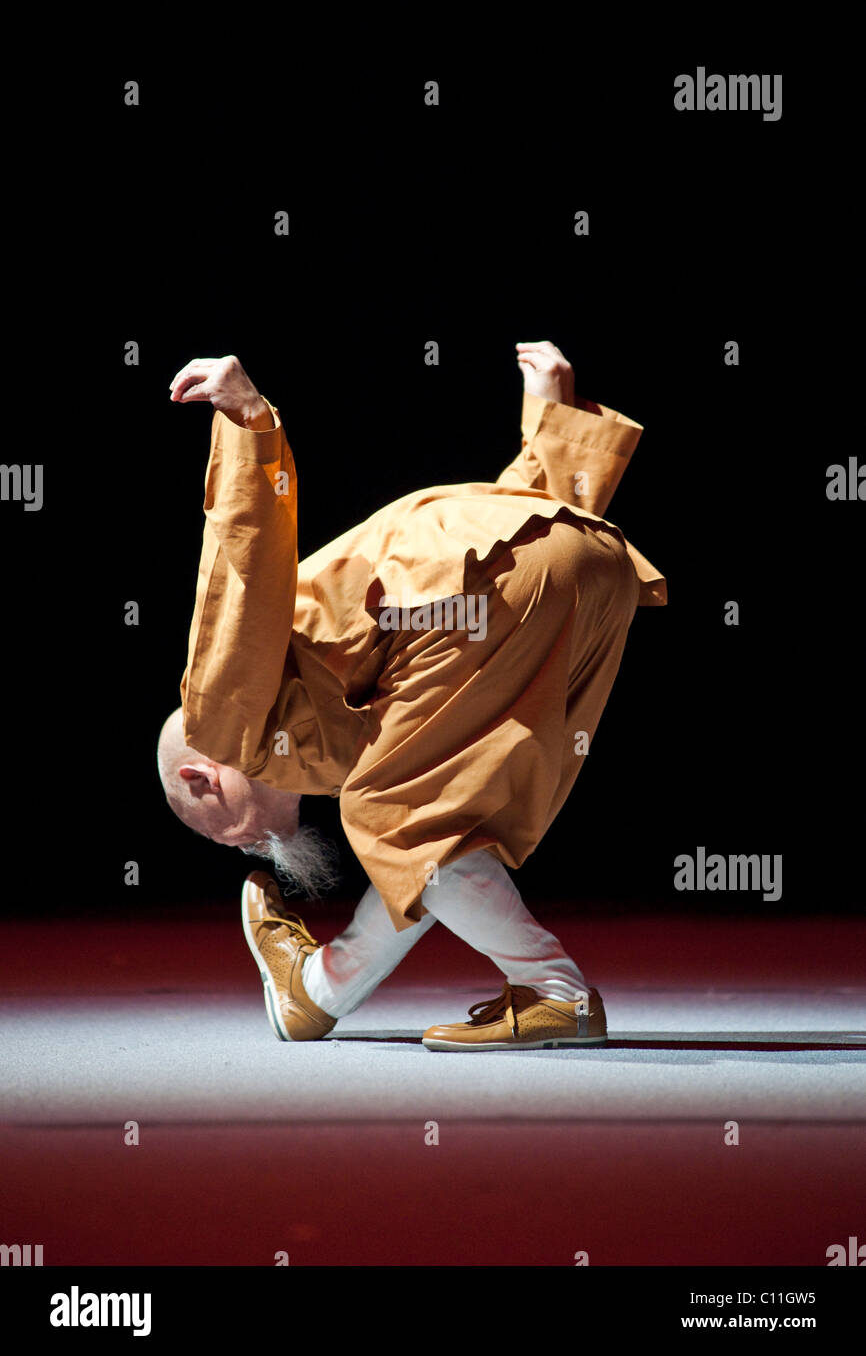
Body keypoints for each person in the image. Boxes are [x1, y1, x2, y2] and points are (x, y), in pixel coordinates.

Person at [157, 341, 666, 1050]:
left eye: (224, 833)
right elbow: (517, 535)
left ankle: (559, 995)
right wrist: (551, 415)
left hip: (492, 593)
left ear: (201, 777)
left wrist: (248, 424)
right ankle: (315, 993)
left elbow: (239, 574)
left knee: (398, 816)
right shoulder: (324, 740)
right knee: (425, 826)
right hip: (587, 562)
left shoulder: (219, 718)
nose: (253, 847)